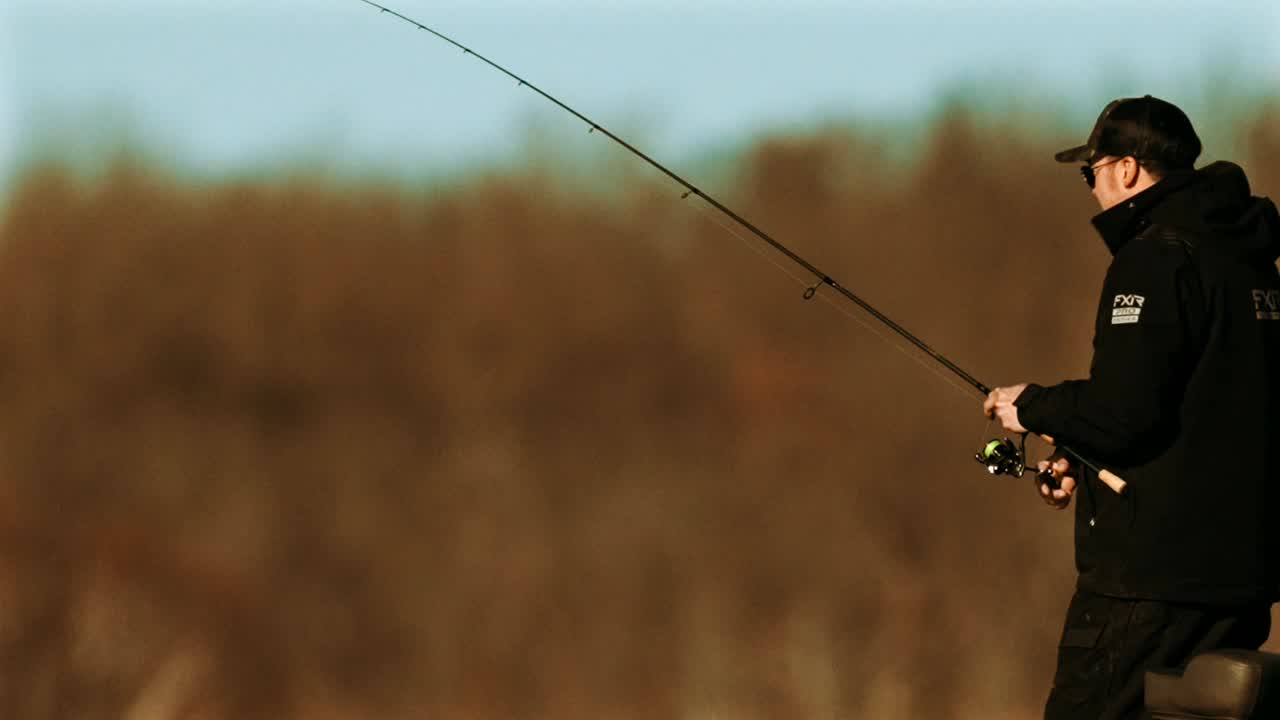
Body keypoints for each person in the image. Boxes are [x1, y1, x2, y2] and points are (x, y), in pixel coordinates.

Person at [982, 95, 1280, 720]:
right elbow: (1200, 413)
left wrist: (1034, 408)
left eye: (1090, 172)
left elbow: (1125, 413)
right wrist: (1074, 450)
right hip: (1240, 581)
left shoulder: (1153, 258)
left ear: (1127, 169)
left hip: (1148, 586)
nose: (1090, 189)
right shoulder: (1249, 260)